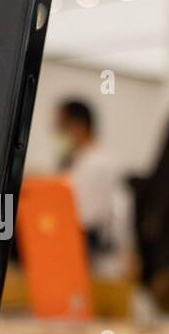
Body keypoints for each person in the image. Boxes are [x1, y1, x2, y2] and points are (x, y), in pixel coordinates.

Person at [54, 97, 130, 276]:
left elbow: (86, 219)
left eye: (61, 128)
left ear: (78, 126)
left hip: (97, 260)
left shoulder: (96, 163)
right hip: (87, 251)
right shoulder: (79, 160)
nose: (58, 135)